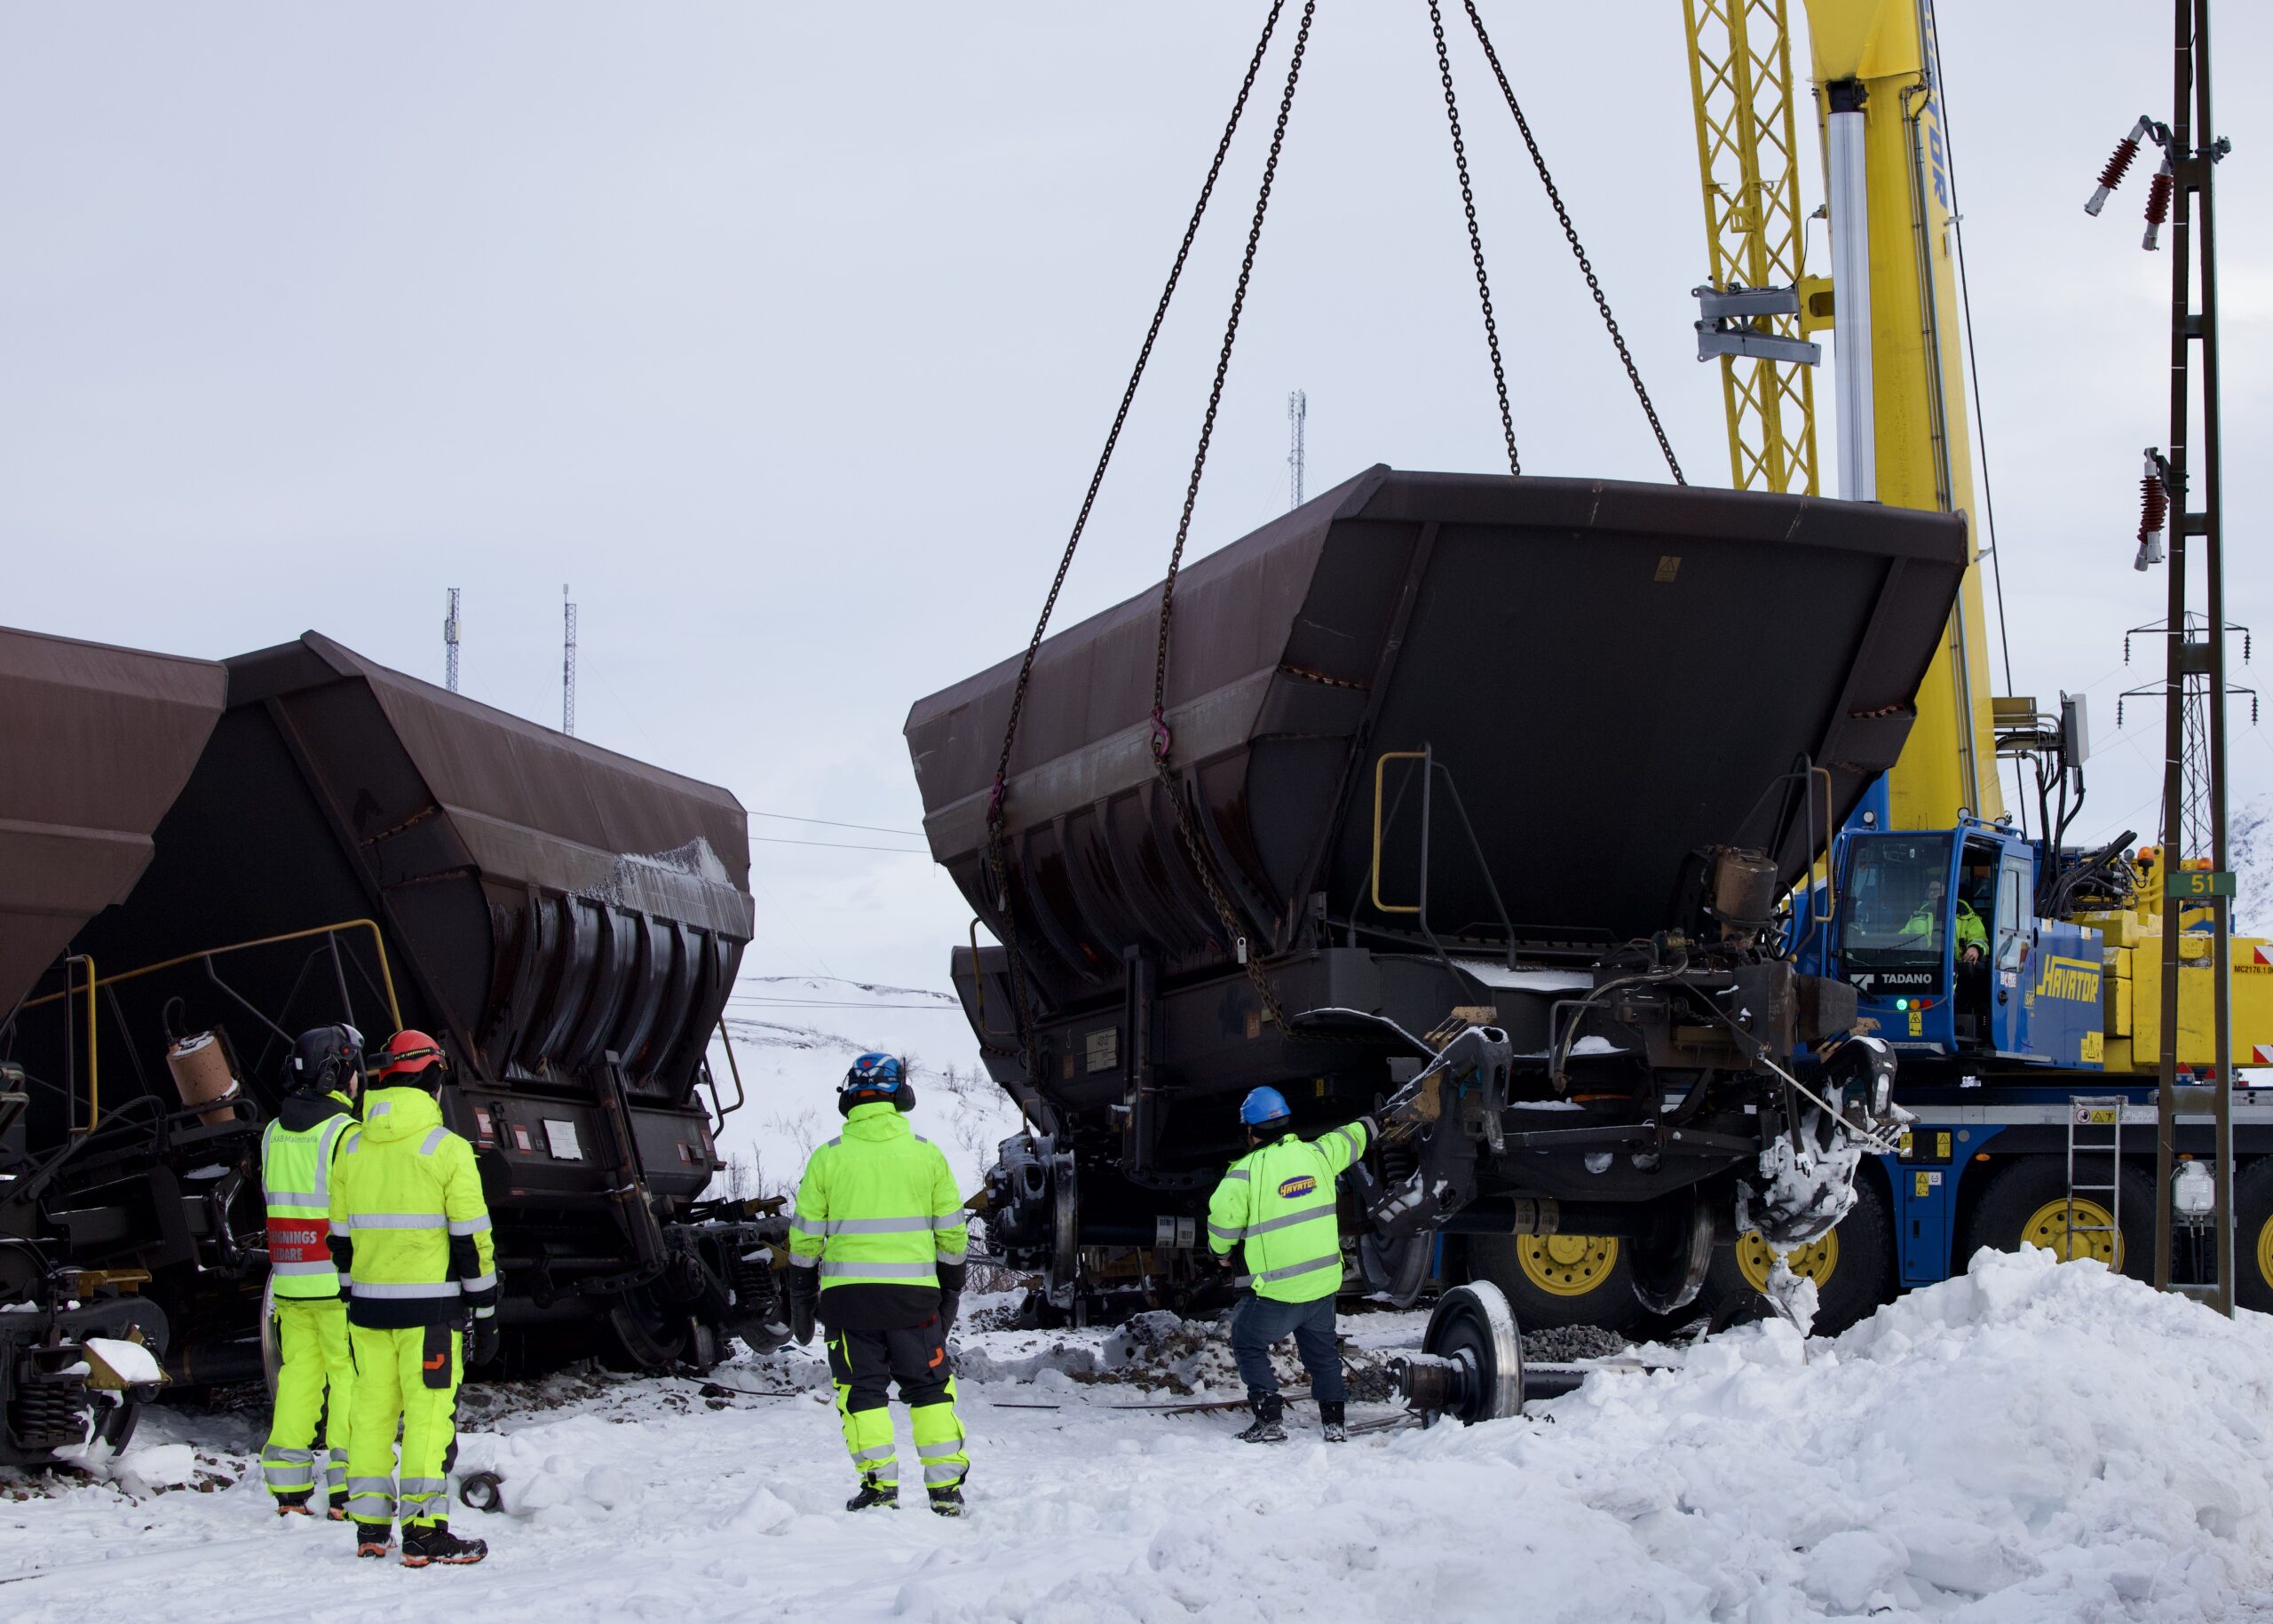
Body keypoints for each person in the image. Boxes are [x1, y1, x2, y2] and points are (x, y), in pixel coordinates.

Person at [328, 1029, 497, 1566]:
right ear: (431, 1076)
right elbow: (473, 1239)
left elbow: (340, 1237)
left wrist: (355, 1294)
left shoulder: (350, 1145)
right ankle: (424, 1533)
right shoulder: (446, 1148)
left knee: (372, 1415)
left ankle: (370, 1529)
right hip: (430, 1315)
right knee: (427, 1417)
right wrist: (485, 1310)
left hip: (368, 1312)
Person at [784, 1053, 971, 1516]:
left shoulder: (827, 1158)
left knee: (861, 1394)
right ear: (901, 1096)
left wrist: (801, 1297)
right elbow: (952, 1234)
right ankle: (945, 1492)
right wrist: (950, 1291)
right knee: (929, 1391)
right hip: (916, 1303)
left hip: (848, 1306)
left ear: (848, 1098)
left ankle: (879, 1489)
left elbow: (804, 1240)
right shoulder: (927, 1154)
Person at [1207, 1087, 1373, 1445]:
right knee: (1323, 1354)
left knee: (1247, 1341)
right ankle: (1335, 1424)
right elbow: (1355, 1135)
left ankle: (1269, 1422)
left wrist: (1220, 1253)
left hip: (1277, 1291)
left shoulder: (1243, 1174)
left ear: (1250, 1130)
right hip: (1322, 1284)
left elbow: (1222, 1225)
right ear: (1285, 1123)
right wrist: (1380, 1121)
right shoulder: (1320, 1153)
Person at [259, 1025, 364, 1518]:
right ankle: (345, 1488)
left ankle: (289, 1488)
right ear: (337, 1074)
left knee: (299, 1375)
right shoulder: (345, 1134)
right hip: (337, 1283)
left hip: (290, 1280)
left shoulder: (271, 1133)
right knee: (349, 1377)